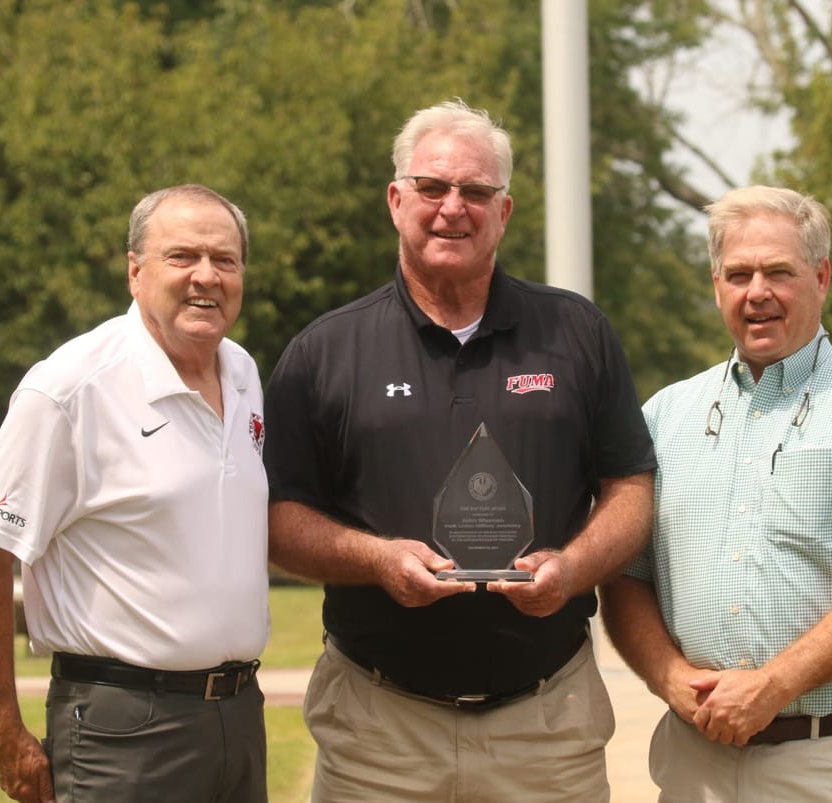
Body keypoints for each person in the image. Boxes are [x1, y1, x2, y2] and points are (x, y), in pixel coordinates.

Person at [262, 98, 656, 802]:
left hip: (546, 729)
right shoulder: (324, 352)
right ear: (396, 200)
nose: (453, 208)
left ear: (504, 211)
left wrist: (571, 569)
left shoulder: (576, 332)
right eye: (432, 187)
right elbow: (279, 519)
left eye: (476, 191)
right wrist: (376, 559)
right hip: (378, 734)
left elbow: (631, 488)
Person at [601, 185, 832, 802]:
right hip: (695, 760)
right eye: (738, 274)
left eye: (778, 272)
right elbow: (626, 574)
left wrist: (772, 686)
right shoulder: (665, 416)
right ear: (716, 285)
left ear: (821, 277)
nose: (757, 292)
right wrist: (670, 678)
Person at [0, 184, 272, 803]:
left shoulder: (243, 372)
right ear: (135, 271)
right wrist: (2, 728)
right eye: (181, 256)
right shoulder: (69, 389)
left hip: (239, 716)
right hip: (123, 729)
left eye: (225, 260)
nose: (206, 276)